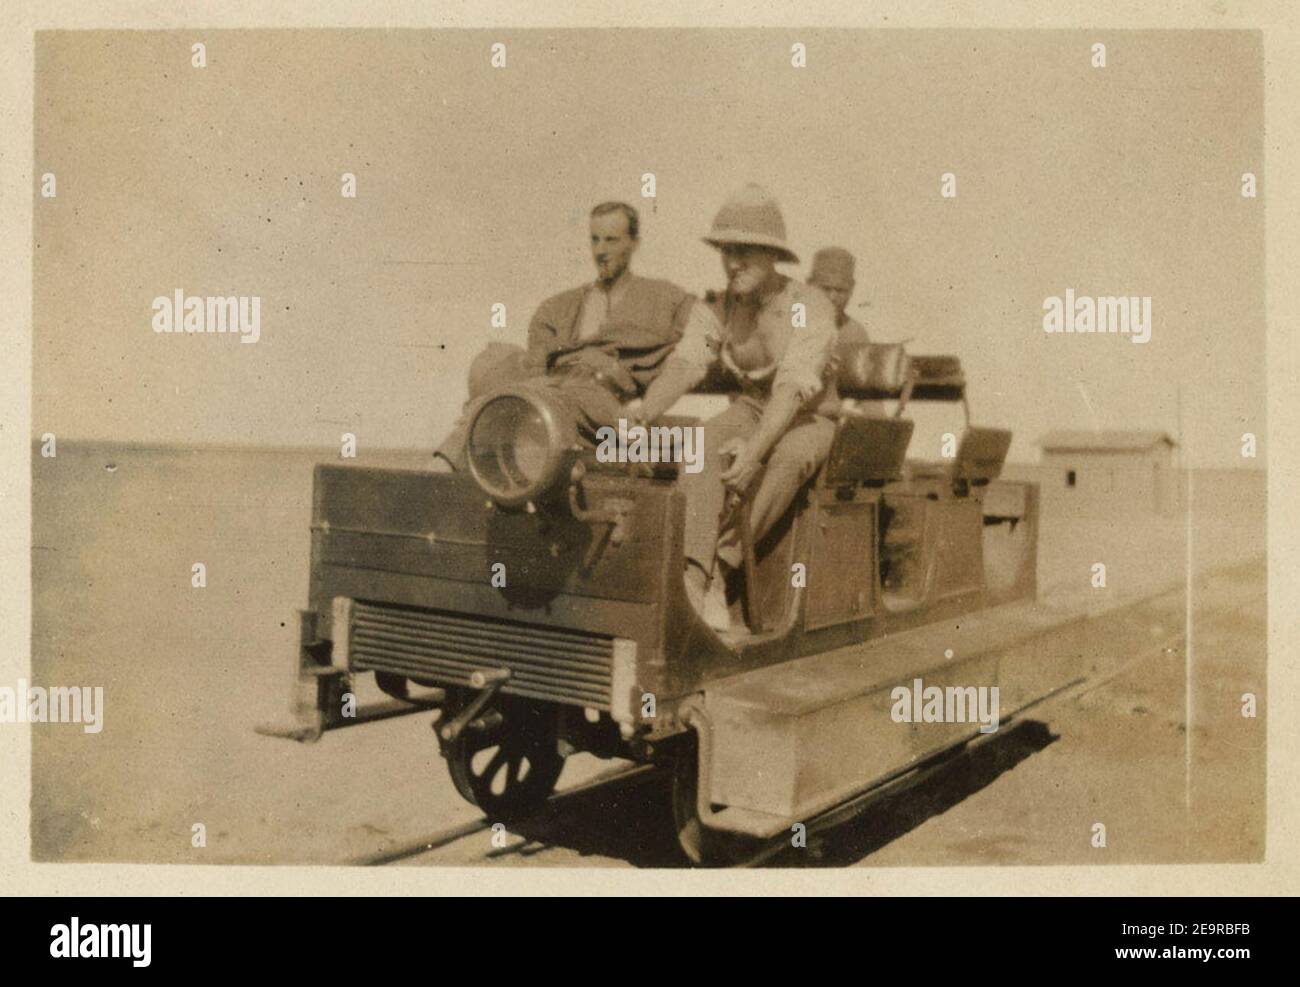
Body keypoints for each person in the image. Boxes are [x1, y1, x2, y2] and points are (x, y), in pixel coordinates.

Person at [634, 184, 839, 631]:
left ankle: (724, 565)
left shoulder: (807, 306)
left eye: (745, 251)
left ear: (773, 256)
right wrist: (643, 412)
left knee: (787, 458)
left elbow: (793, 388)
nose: (733, 262)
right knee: (701, 442)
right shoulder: (721, 307)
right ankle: (694, 577)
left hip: (809, 416)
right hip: (751, 407)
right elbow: (687, 363)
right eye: (727, 251)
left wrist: (755, 451)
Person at [433, 201, 718, 469]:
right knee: (505, 400)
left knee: (529, 402)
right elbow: (536, 371)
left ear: (634, 244)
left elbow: (709, 327)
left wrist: (651, 406)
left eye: (611, 240)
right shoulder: (557, 308)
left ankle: (444, 464)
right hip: (552, 391)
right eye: (594, 240)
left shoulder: (662, 298)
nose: (600, 251)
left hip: (603, 403)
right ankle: (443, 471)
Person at [806, 246, 886, 418]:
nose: (832, 297)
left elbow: (867, 392)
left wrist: (882, 424)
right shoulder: (793, 324)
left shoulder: (854, 333)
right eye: (825, 289)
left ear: (852, 290)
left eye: (840, 290)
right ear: (809, 284)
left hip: (835, 420)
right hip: (794, 419)